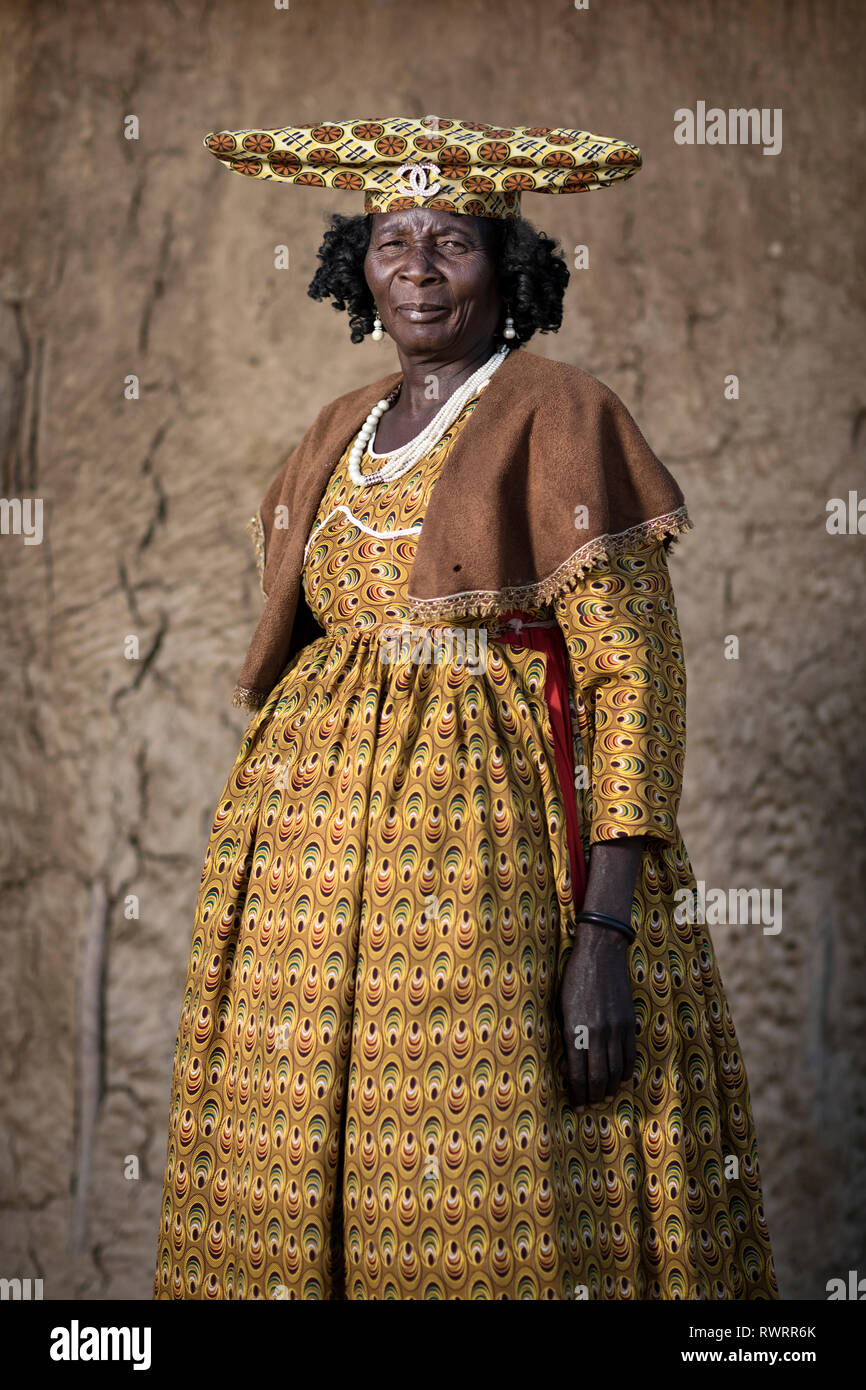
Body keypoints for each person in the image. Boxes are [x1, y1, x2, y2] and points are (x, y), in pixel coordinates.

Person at [153, 116, 777, 1300]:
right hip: (310, 876)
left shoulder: (561, 411)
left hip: (501, 865)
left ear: (507, 265)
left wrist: (601, 937)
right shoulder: (335, 429)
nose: (421, 268)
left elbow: (635, 674)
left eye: (453, 241)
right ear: (358, 265)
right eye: (394, 241)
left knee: (486, 1162)